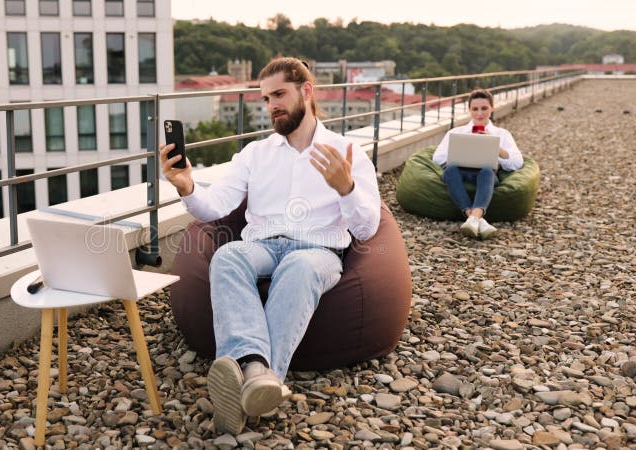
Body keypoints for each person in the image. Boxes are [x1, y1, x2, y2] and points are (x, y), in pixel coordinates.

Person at [159, 57, 381, 434]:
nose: (272, 105)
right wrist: (186, 187)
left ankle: (251, 377)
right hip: (262, 245)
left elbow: (367, 228)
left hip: (318, 250)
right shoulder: (254, 154)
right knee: (227, 256)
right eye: (265, 98)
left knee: (300, 268)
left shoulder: (347, 152)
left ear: (306, 91)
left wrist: (346, 188)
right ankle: (260, 378)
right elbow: (216, 206)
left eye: (279, 94)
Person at [432, 88, 524, 239]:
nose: (479, 113)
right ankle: (476, 219)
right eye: (475, 109)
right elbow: (437, 158)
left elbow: (517, 162)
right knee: (450, 170)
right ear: (469, 110)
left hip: (485, 175)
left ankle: (472, 218)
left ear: (492, 108)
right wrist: (462, 149)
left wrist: (495, 147)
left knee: (487, 170)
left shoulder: (502, 134)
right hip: (459, 173)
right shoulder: (457, 132)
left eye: (484, 108)